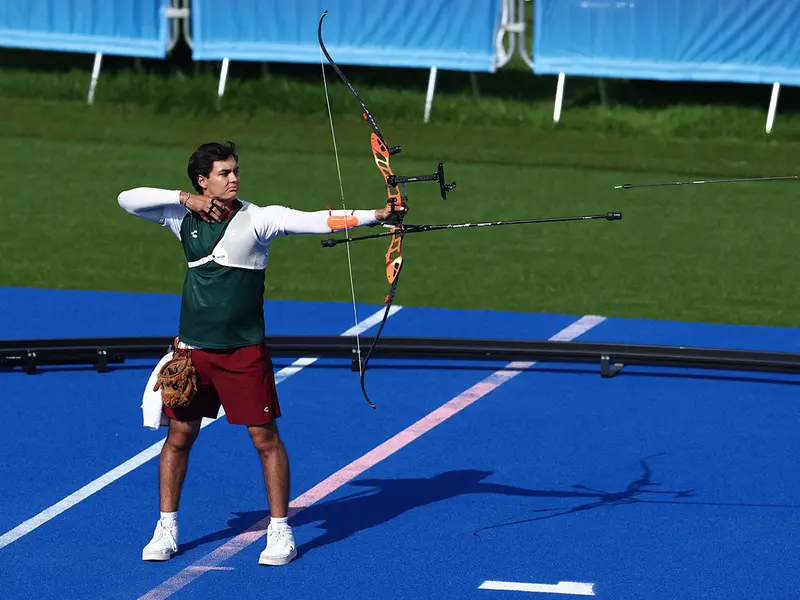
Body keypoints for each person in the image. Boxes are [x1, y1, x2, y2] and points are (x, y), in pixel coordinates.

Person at [117, 141, 404, 566]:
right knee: (179, 437)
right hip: (192, 354)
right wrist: (183, 199)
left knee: (264, 439)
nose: (234, 178)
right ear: (203, 181)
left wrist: (377, 216)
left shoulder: (260, 218)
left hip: (242, 355)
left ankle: (280, 529)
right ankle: (167, 526)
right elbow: (128, 199)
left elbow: (317, 220)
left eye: (236, 171)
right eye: (224, 173)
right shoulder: (181, 217)